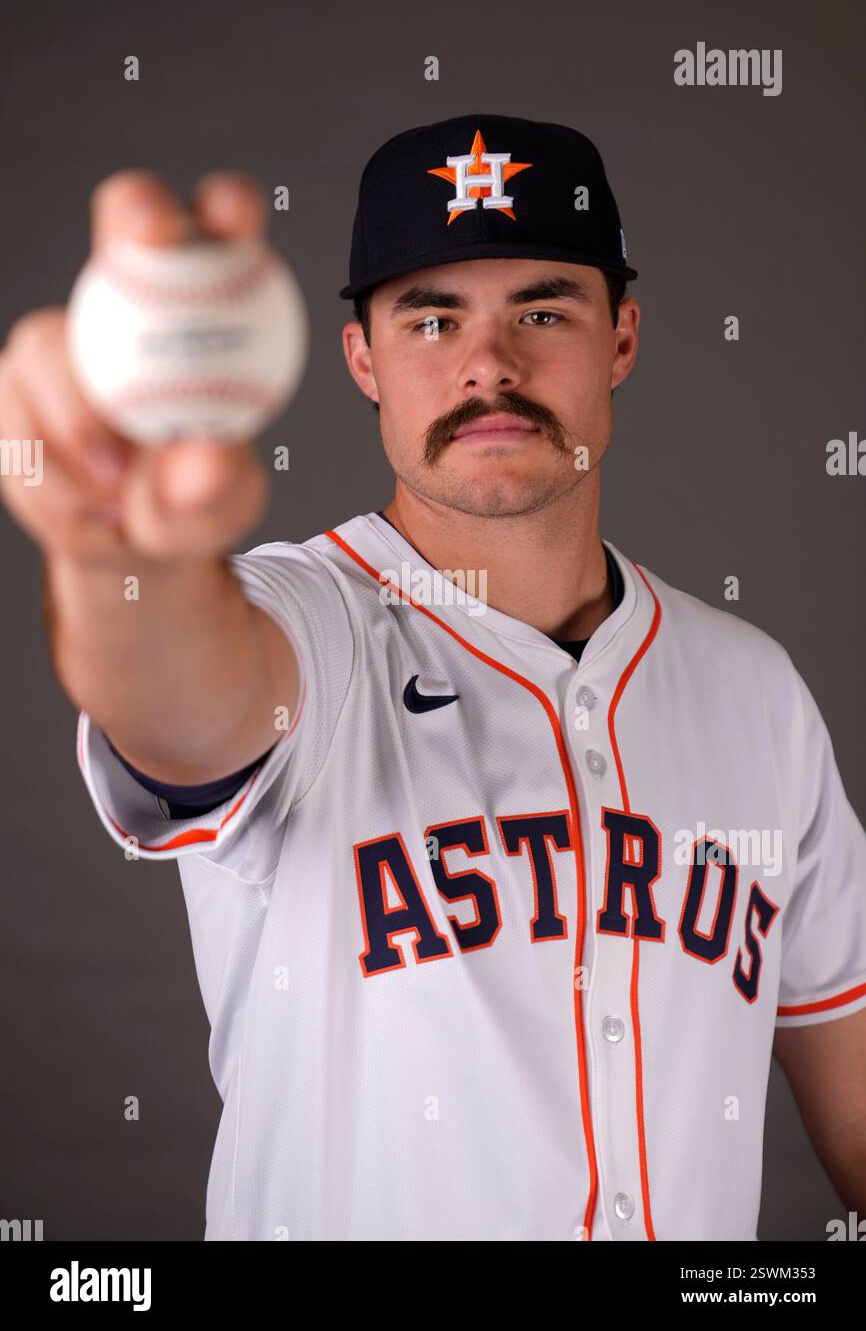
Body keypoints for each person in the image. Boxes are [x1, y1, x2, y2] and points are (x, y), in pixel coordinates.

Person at [2, 113, 864, 1242]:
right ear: (361, 355)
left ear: (621, 341)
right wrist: (120, 561)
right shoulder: (306, 626)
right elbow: (185, 698)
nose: (487, 366)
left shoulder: (755, 693)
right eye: (431, 316)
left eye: (542, 311)